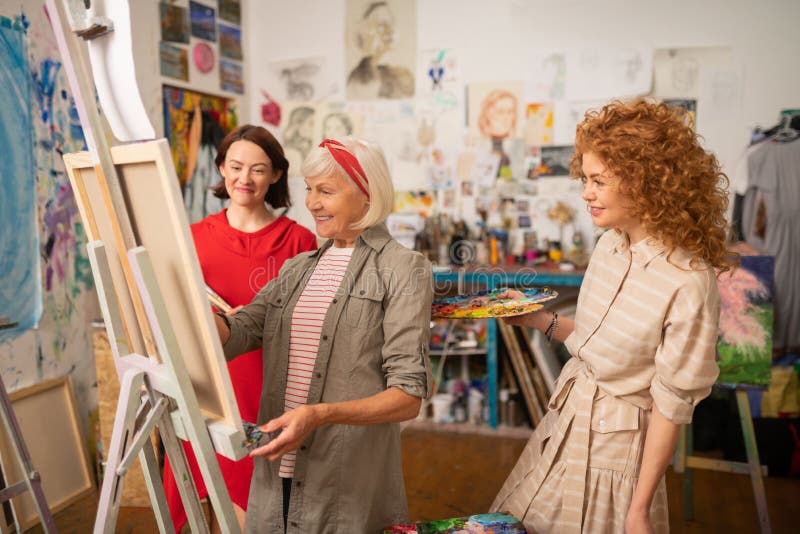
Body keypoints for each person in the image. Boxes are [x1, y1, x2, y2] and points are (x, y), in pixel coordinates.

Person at [490, 99, 736, 533]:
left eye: (598, 180)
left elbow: (671, 405)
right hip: (564, 426)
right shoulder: (609, 246)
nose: (586, 192)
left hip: (616, 456)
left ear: (644, 183)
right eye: (586, 178)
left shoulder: (688, 281)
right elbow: (595, 342)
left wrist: (638, 509)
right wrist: (534, 318)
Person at [214, 137, 433, 533]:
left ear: (367, 194)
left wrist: (319, 416)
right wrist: (189, 311)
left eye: (326, 191)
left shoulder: (404, 268)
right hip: (273, 469)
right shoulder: (298, 269)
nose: (312, 203)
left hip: (341, 482)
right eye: (309, 189)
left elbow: (407, 396)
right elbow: (240, 331)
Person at [162, 124, 318, 532]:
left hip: (268, 388)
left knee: (259, 513)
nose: (244, 179)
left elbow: (315, 324)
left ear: (277, 175)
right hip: (206, 389)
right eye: (235, 167)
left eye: (258, 169)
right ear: (221, 168)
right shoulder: (190, 239)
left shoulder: (299, 241)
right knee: (202, 507)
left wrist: (262, 316)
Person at [346, 1, 414, 99]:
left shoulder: (404, 76)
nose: (389, 30)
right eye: (381, 25)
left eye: (391, 24)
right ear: (364, 33)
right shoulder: (357, 79)